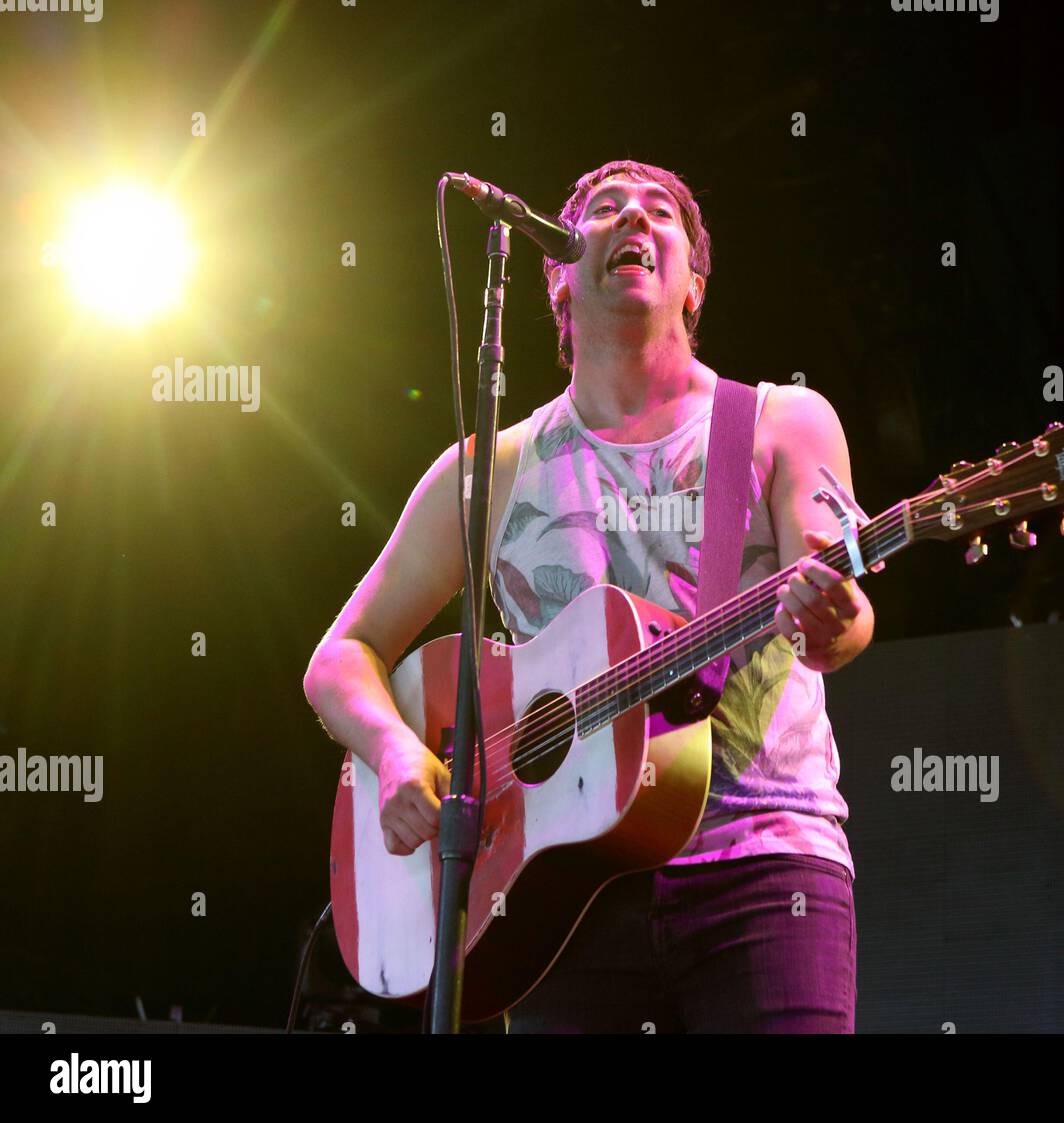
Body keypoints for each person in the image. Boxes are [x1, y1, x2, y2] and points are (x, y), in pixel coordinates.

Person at [303, 159, 875, 1033]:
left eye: (661, 215)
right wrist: (391, 753)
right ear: (559, 276)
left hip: (763, 863)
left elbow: (843, 617)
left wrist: (835, 616)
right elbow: (342, 656)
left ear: (694, 282)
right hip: (559, 894)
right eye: (605, 210)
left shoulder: (779, 421)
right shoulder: (491, 468)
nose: (633, 222)